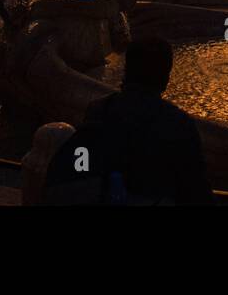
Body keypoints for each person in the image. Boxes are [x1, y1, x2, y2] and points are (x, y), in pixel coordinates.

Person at [49, 37, 213, 205]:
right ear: (165, 77)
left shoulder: (99, 110)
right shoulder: (179, 124)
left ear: (126, 70)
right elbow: (197, 188)